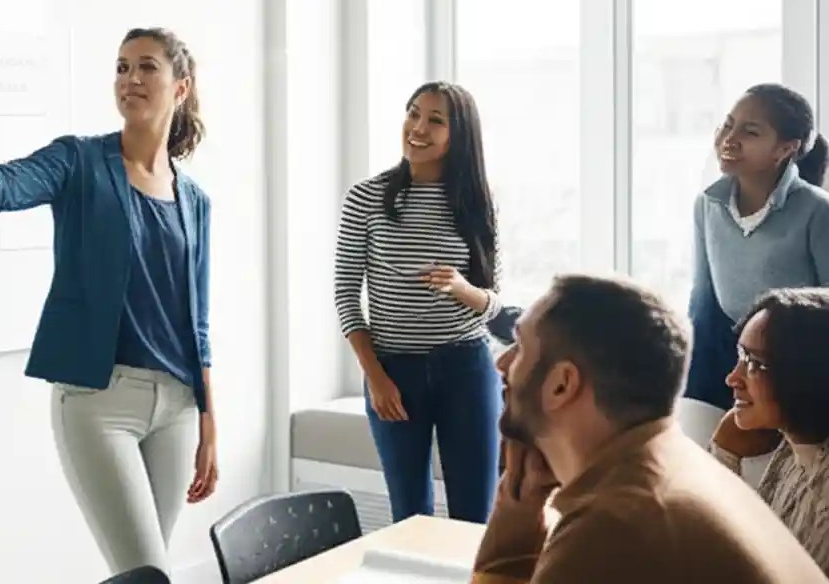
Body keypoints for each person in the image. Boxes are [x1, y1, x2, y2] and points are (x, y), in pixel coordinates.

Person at [0, 27, 216, 575]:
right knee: (148, 575)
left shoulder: (194, 200)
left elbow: (199, 323)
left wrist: (210, 422)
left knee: (141, 573)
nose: (130, 79)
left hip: (177, 408)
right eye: (121, 67)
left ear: (180, 88)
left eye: (146, 67)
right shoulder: (78, 161)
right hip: (99, 403)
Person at [473, 273, 827, 583]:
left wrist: (514, 519)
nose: (502, 363)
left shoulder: (618, 521)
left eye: (519, 347)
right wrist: (521, 504)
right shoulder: (666, 465)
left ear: (563, 384)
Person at [333, 81, 503, 523]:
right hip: (393, 370)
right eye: (413, 113)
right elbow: (346, 295)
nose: (418, 127)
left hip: (466, 367)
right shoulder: (366, 198)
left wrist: (463, 289)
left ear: (458, 134)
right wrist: (376, 378)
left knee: (473, 517)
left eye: (435, 120)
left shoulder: (478, 203)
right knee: (410, 517)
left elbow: (494, 305)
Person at [685, 83, 829, 410]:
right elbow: (703, 299)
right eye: (727, 124)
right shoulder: (707, 205)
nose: (729, 138)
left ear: (784, 150)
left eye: (750, 132)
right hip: (727, 354)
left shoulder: (818, 211)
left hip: (799, 363)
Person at [710, 288, 829, 573]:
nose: (733, 378)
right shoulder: (794, 451)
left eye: (755, 363)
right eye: (740, 355)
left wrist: (722, 459)